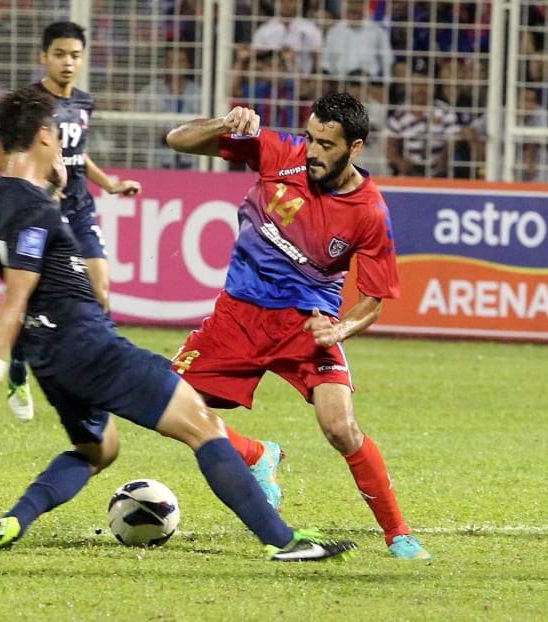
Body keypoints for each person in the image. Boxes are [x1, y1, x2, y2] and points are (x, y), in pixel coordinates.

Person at [0, 85, 357, 564]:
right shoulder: (35, 209)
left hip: (49, 358)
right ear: (45, 135)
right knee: (203, 427)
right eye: (58, 138)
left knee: (98, 450)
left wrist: (48, 184)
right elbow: (15, 294)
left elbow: (25, 262)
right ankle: (284, 540)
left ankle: (13, 520)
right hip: (87, 347)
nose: (63, 148)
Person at [165, 91, 431, 559]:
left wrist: (339, 330)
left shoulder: (370, 213)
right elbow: (177, 139)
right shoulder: (280, 152)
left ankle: (399, 534)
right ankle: (256, 454)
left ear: (355, 147)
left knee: (340, 427)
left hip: (307, 325)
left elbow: (372, 301)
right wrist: (225, 123)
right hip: (238, 316)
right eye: (310, 138)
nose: (312, 152)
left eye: (326, 144)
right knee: (164, 403)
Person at [0, 21, 142, 422]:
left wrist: (109, 184)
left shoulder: (84, 103)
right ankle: (18, 366)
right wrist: (35, 182)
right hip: (42, 213)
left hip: (79, 209)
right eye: (59, 54)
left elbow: (77, 153)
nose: (67, 62)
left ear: (83, 58)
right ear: (44, 57)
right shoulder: (29, 104)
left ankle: (100, 382)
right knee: (30, 299)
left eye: (75, 55)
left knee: (101, 292)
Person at [386, 57, 462, 178]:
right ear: (410, 86)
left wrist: (444, 157)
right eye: (417, 84)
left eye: (426, 84)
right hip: (409, 174)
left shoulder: (445, 111)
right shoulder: (399, 115)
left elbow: (454, 139)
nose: (421, 89)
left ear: (434, 87)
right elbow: (390, 145)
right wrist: (400, 162)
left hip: (439, 174)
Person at [135, 46, 202, 169]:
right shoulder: (149, 92)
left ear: (188, 65)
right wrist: (167, 136)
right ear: (165, 64)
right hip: (157, 158)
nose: (177, 66)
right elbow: (140, 124)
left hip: (191, 159)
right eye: (172, 61)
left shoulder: (198, 93)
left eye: (181, 61)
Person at [320, 0, 394, 81]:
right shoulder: (334, 31)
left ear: (365, 6)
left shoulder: (377, 31)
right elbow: (326, 62)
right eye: (351, 3)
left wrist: (386, 84)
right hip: (341, 82)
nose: (354, 7)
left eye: (358, 3)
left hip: (368, 81)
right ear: (345, 6)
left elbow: (386, 61)